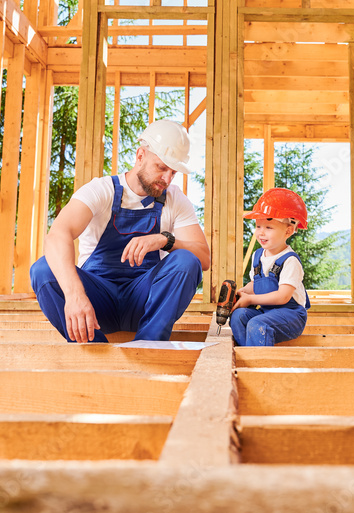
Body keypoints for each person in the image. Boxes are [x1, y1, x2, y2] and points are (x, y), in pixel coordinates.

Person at [30, 120, 210, 343]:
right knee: (43, 269)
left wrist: (164, 240)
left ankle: (148, 347)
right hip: (96, 303)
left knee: (185, 260)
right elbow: (57, 235)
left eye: (173, 172)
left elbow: (203, 257)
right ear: (141, 155)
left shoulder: (175, 199)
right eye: (161, 167)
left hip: (143, 304)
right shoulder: (101, 190)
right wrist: (75, 295)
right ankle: (94, 352)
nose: (167, 179)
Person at [230, 188, 311, 347]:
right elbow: (256, 284)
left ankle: (259, 365)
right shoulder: (258, 256)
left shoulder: (290, 261)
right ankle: (247, 355)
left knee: (257, 325)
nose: (261, 233)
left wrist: (251, 299)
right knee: (238, 316)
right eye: (258, 226)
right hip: (267, 312)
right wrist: (242, 293)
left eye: (268, 227)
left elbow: (283, 297)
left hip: (291, 316)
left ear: (288, 231)